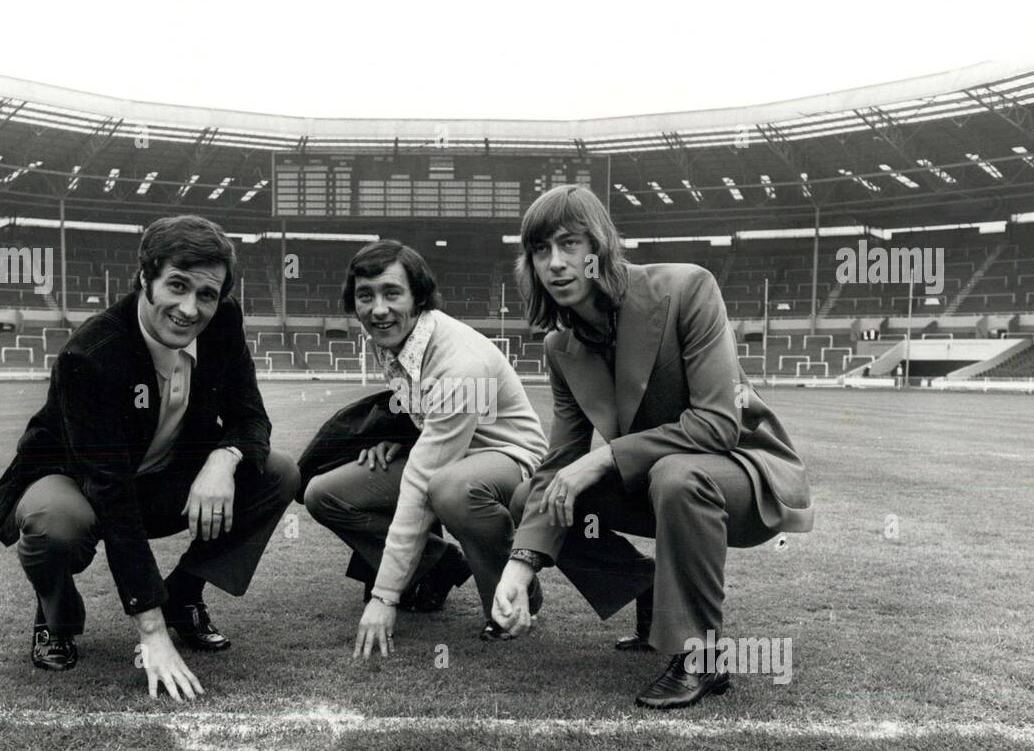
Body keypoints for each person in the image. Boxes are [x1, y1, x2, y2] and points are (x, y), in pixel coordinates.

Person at [489, 185, 813, 709]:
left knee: (678, 475)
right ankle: (650, 591)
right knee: (533, 497)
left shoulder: (688, 288)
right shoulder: (560, 347)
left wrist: (605, 457)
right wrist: (519, 565)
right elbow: (559, 463)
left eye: (570, 244)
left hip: (745, 478)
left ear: (600, 246)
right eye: (540, 250)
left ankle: (702, 657)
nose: (555, 263)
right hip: (660, 485)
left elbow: (716, 424)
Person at [0, 215, 299, 699]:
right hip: (78, 480)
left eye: (206, 295)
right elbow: (108, 489)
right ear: (145, 278)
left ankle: (185, 595)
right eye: (176, 285)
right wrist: (150, 633)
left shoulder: (225, 324)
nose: (189, 308)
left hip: (162, 480)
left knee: (277, 472)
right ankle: (58, 618)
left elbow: (250, 416)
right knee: (57, 523)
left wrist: (224, 459)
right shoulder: (91, 354)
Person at [303, 240, 548, 657]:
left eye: (391, 293)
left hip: (509, 460)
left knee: (448, 488)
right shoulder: (397, 339)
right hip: (451, 453)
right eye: (366, 296)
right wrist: (397, 440)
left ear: (418, 296)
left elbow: (422, 481)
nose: (378, 309)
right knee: (324, 494)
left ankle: (514, 592)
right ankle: (439, 565)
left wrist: (384, 597)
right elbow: (426, 419)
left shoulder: (460, 363)